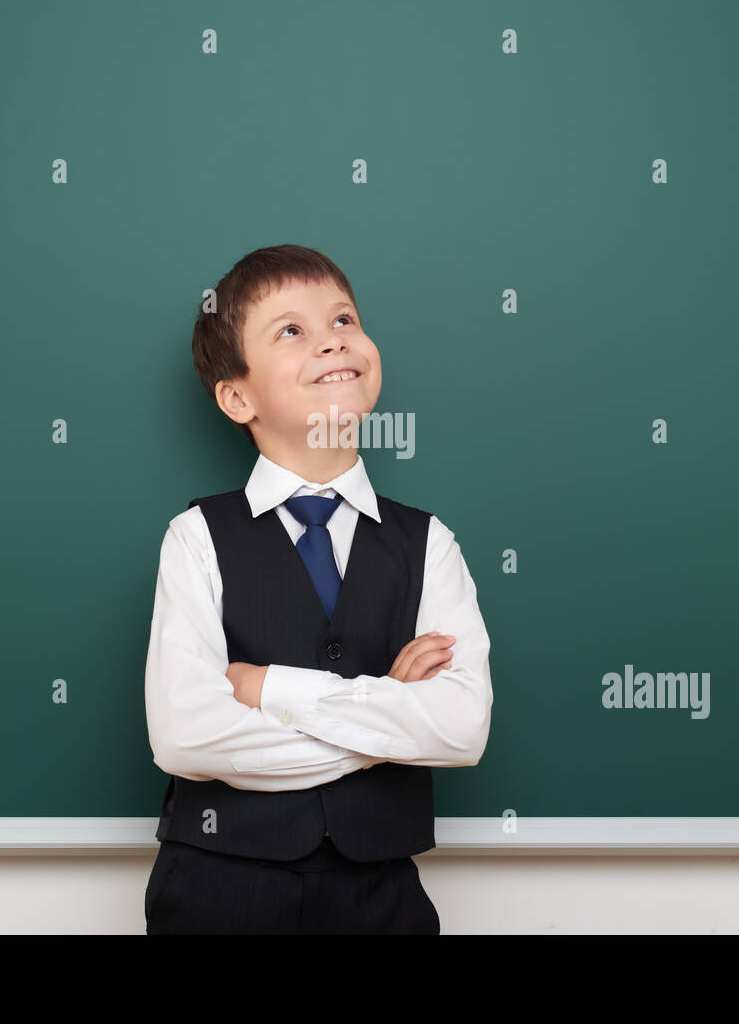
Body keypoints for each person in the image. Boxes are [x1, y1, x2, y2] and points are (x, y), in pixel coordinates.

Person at [144, 244, 493, 934]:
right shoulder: (196, 538)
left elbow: (459, 727)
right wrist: (389, 710)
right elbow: (187, 736)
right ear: (237, 396)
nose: (333, 338)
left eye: (344, 318)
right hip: (216, 895)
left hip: (382, 898)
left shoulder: (430, 543)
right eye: (291, 330)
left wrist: (270, 687)